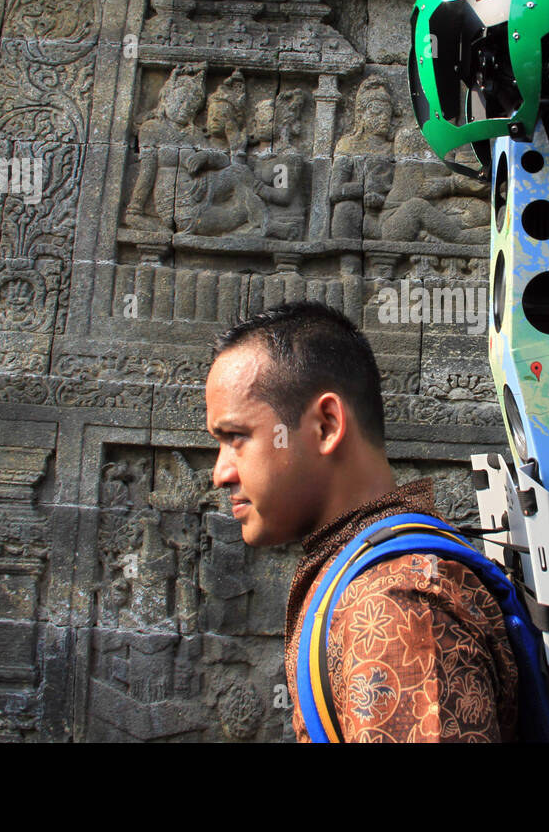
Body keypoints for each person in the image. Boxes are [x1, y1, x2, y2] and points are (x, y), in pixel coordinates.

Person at [203, 301, 519, 742]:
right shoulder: (361, 573)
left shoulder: (399, 610)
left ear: (327, 425)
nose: (221, 473)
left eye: (236, 438)